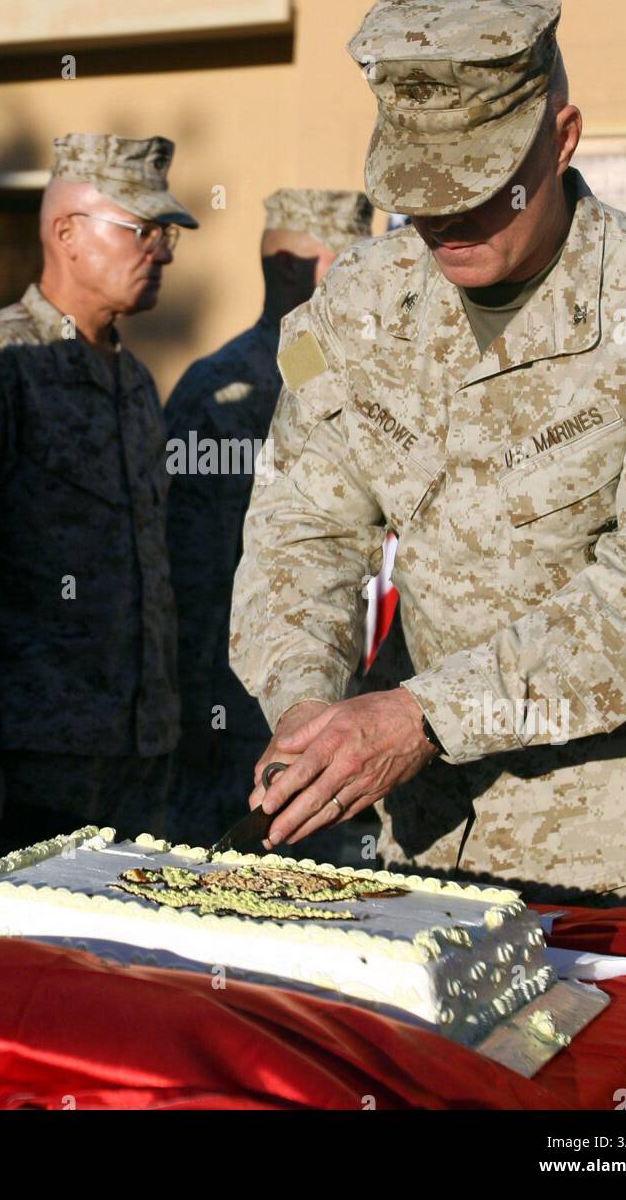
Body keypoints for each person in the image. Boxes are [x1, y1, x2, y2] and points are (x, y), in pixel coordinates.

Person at [230, 0, 626, 912]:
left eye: (483, 185)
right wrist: (304, 705)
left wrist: (426, 715)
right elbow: (302, 530)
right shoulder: (357, 308)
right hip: (427, 845)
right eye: (420, 193)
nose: (448, 220)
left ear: (564, 137)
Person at [0, 134, 196, 862]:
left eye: (167, 234)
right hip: (26, 766)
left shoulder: (135, 383)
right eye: (143, 231)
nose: (164, 252)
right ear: (67, 234)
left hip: (138, 758)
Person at [163, 188, 372, 851]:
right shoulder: (222, 390)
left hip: (349, 699)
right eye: (349, 260)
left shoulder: (361, 378)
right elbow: (190, 575)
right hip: (239, 705)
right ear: (290, 266)